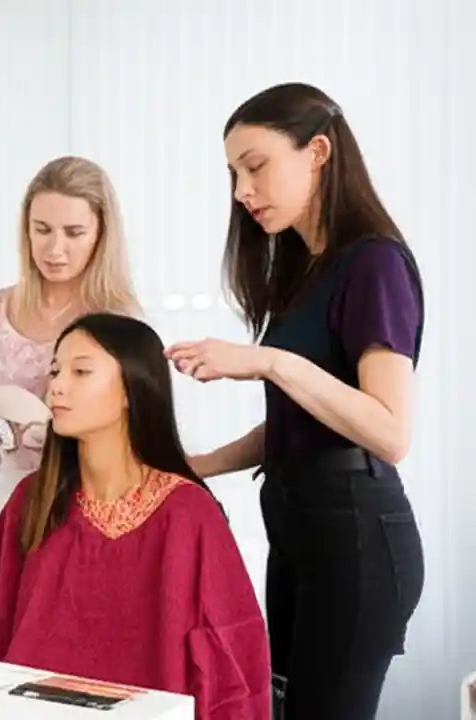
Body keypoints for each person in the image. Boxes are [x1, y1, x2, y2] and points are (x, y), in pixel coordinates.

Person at [166, 82, 424, 719]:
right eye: (233, 173)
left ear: (317, 152)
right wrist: (196, 465)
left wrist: (266, 361)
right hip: (299, 530)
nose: (241, 191)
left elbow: (389, 431)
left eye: (255, 167)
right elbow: (300, 420)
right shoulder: (303, 272)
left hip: (357, 539)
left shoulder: (375, 265)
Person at [0, 314, 270, 719]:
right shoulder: (34, 498)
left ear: (131, 388)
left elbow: (232, 659)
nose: (56, 385)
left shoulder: (187, 514)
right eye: (55, 370)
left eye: (81, 371)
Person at [0, 156, 140, 571]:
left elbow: (132, 438)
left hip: (79, 517)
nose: (55, 249)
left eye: (74, 233)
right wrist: (2, 401)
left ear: (101, 234)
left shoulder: (119, 323)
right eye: (42, 230)